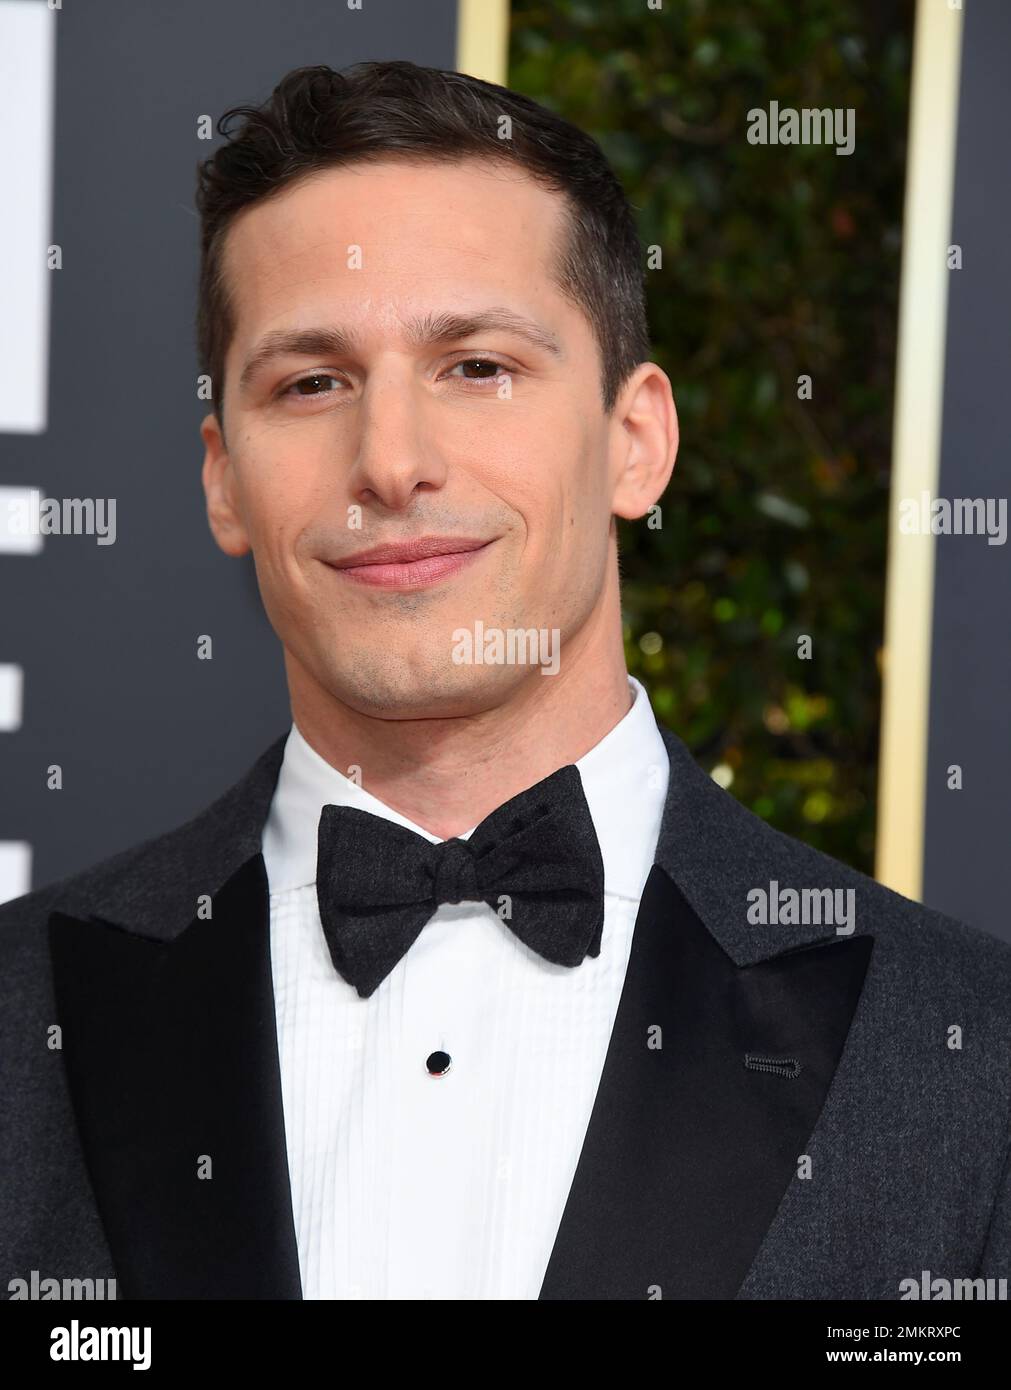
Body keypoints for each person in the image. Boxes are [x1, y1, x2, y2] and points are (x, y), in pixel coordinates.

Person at [2, 61, 1009, 1302]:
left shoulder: (969, 1050)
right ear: (222, 478)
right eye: (311, 382)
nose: (392, 461)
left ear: (635, 441)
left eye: (477, 365)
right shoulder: (19, 1012)